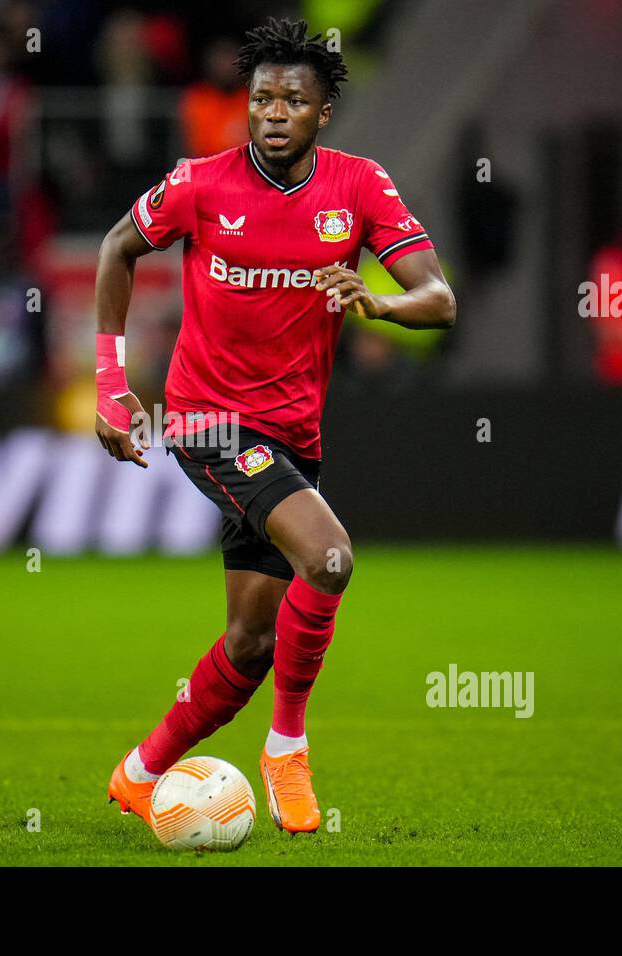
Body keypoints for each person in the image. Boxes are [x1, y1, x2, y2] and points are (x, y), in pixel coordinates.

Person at [94, 18, 455, 834]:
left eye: (295, 98)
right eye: (262, 98)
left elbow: (440, 300)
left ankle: (141, 769)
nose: (275, 111)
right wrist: (112, 384)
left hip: (294, 435)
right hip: (207, 420)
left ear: (324, 112)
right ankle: (286, 750)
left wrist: (380, 301)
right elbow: (118, 248)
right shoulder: (200, 183)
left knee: (251, 643)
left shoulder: (360, 187)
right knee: (329, 558)